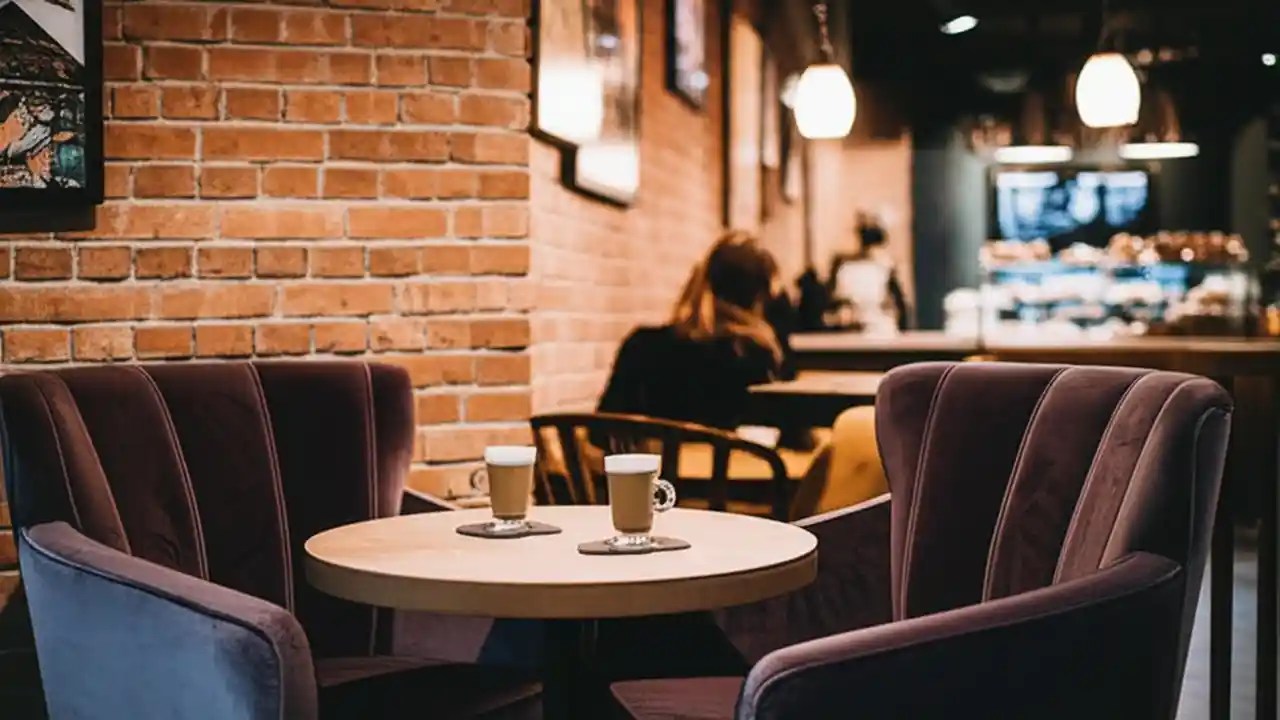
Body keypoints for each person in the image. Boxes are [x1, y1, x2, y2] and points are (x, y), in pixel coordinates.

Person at [598, 230, 797, 431]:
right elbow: (795, 436)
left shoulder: (641, 345)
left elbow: (601, 432)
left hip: (655, 453)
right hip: (732, 454)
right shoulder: (755, 356)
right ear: (759, 300)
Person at [828, 212, 910, 332]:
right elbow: (900, 306)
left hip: (864, 329)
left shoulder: (846, 269)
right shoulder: (883, 269)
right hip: (876, 330)